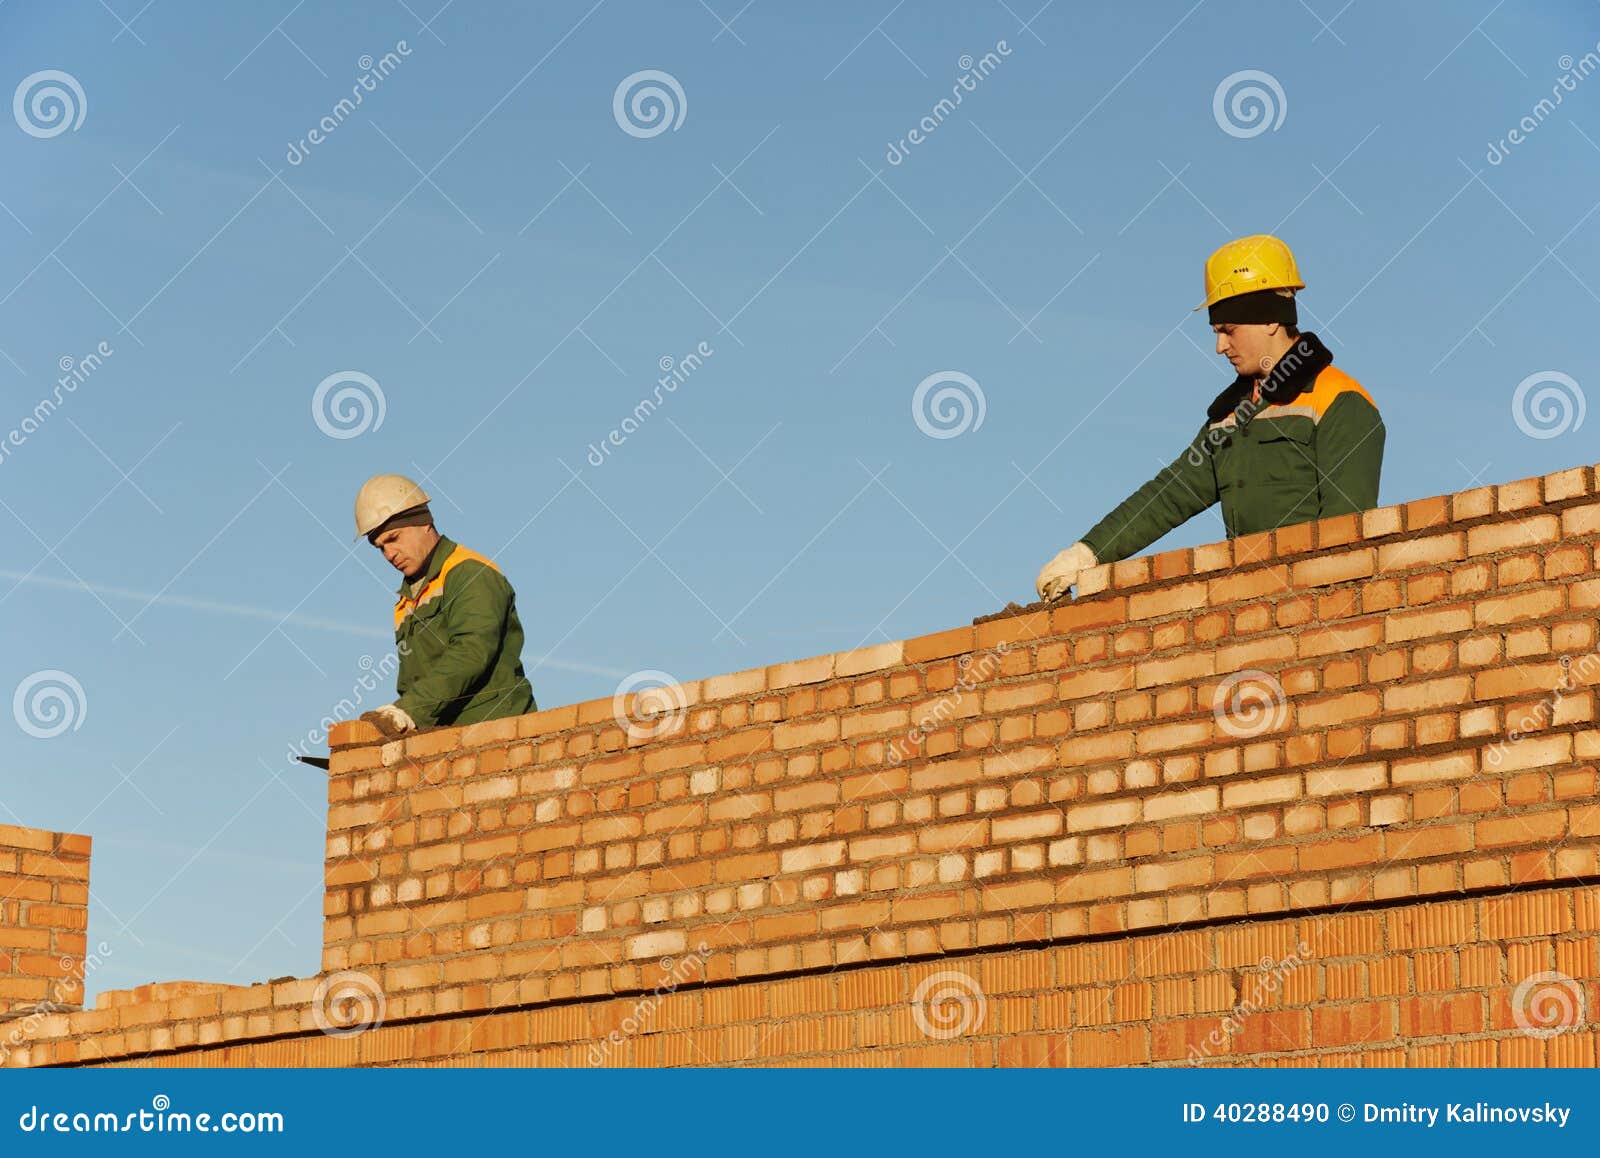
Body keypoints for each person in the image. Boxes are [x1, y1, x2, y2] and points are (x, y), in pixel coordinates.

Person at [1035, 234, 1386, 602]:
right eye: (1216, 332)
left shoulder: (1339, 402)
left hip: (1313, 617)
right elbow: (1170, 495)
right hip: (1249, 613)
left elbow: (1347, 540)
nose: (1219, 347)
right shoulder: (1232, 416)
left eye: (1228, 331)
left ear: (1270, 319)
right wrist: (1087, 554)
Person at [351, 474, 536, 737]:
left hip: (498, 732)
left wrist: (408, 710)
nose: (389, 554)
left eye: (393, 538)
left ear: (424, 523)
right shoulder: (406, 602)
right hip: (443, 743)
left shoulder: (470, 573)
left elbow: (471, 652)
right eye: (380, 548)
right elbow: (412, 683)